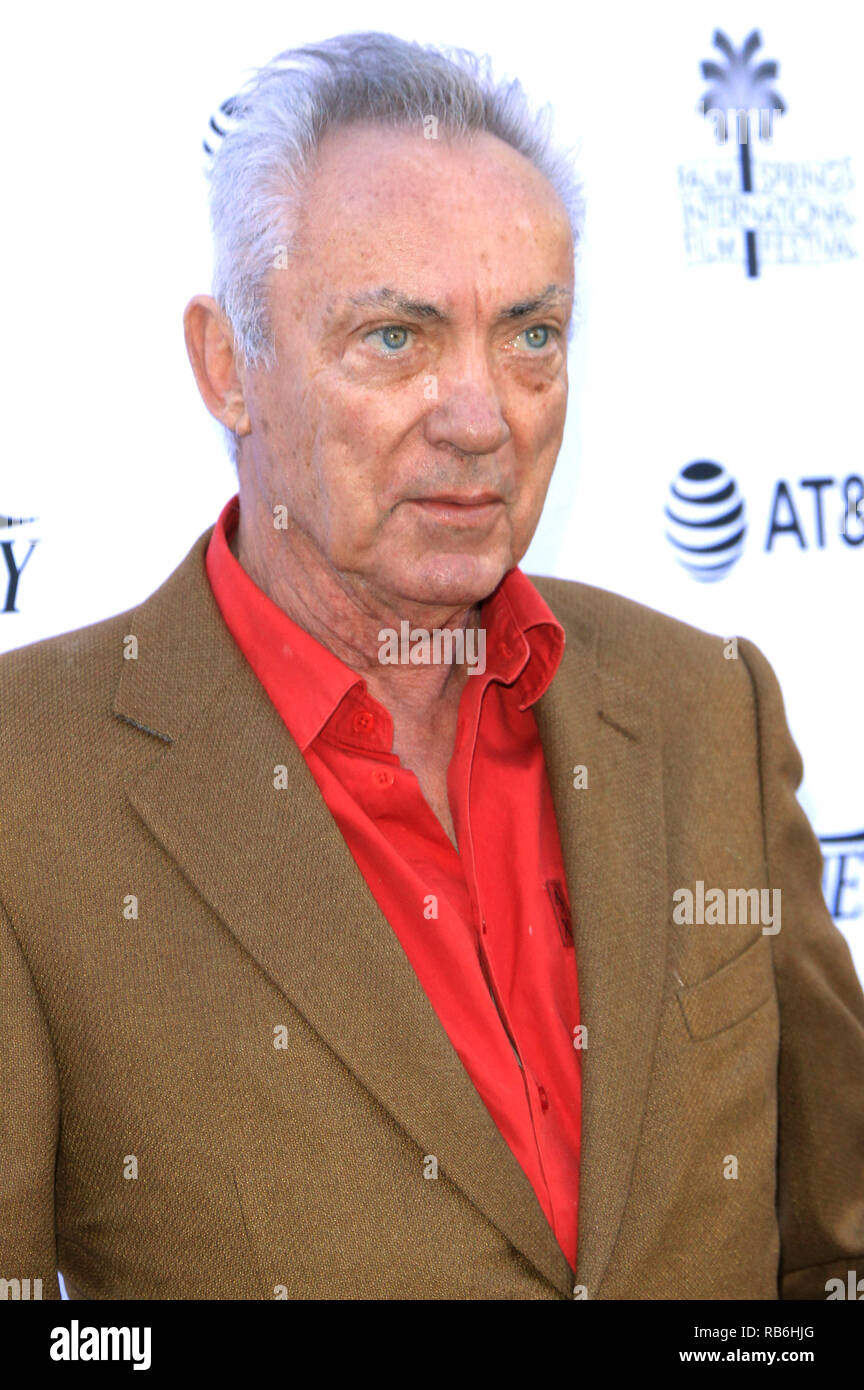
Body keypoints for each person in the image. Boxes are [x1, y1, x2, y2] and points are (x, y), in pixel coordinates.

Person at [1, 32, 862, 1302]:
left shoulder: (703, 707)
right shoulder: (31, 786)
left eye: (530, 334)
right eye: (396, 338)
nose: (480, 414)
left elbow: (837, 1243)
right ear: (228, 365)